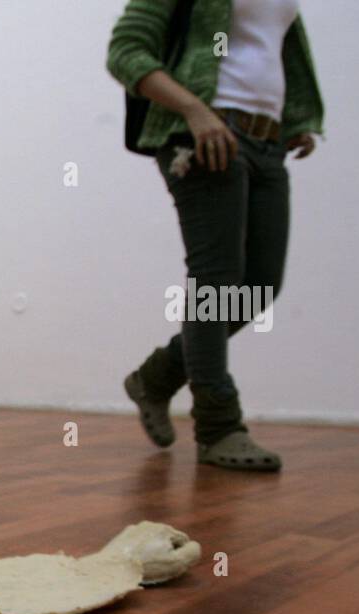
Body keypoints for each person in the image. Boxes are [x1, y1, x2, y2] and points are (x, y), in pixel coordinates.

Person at [108, 0, 324, 470]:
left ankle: (157, 376)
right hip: (205, 135)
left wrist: (297, 118)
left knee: (260, 284)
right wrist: (194, 110)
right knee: (217, 283)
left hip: (267, 142)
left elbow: (274, 49)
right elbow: (125, 51)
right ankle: (219, 425)